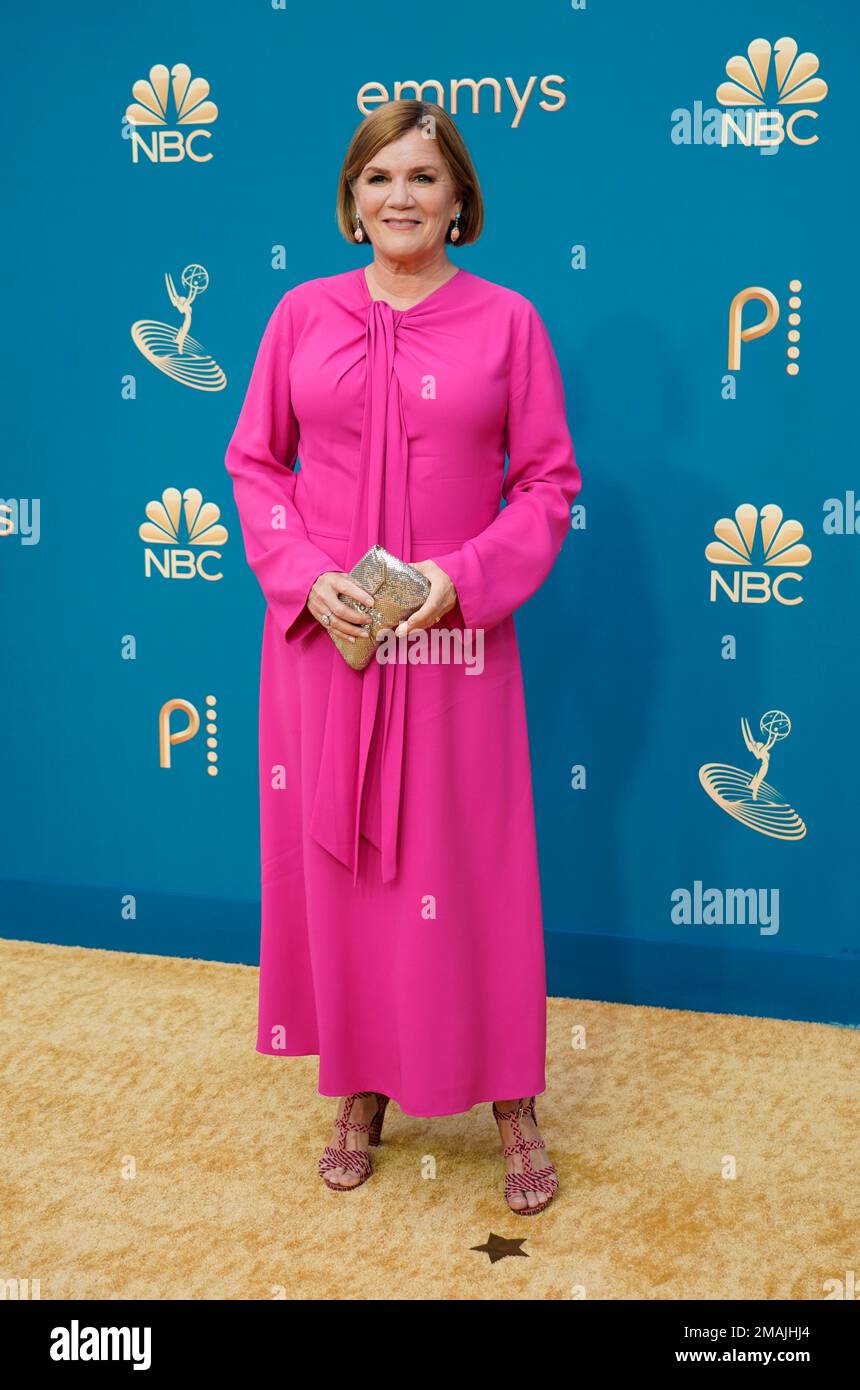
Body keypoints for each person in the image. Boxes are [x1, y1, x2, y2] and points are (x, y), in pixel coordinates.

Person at [224, 99, 581, 1215]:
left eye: (423, 178)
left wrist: (459, 580)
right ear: (350, 199)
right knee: (345, 868)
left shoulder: (508, 321)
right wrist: (303, 575)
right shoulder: (298, 314)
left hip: (453, 643)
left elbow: (548, 481)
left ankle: (508, 1093)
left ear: (458, 200)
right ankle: (360, 1084)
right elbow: (254, 464)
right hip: (328, 640)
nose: (399, 197)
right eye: (378, 178)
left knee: (469, 866)